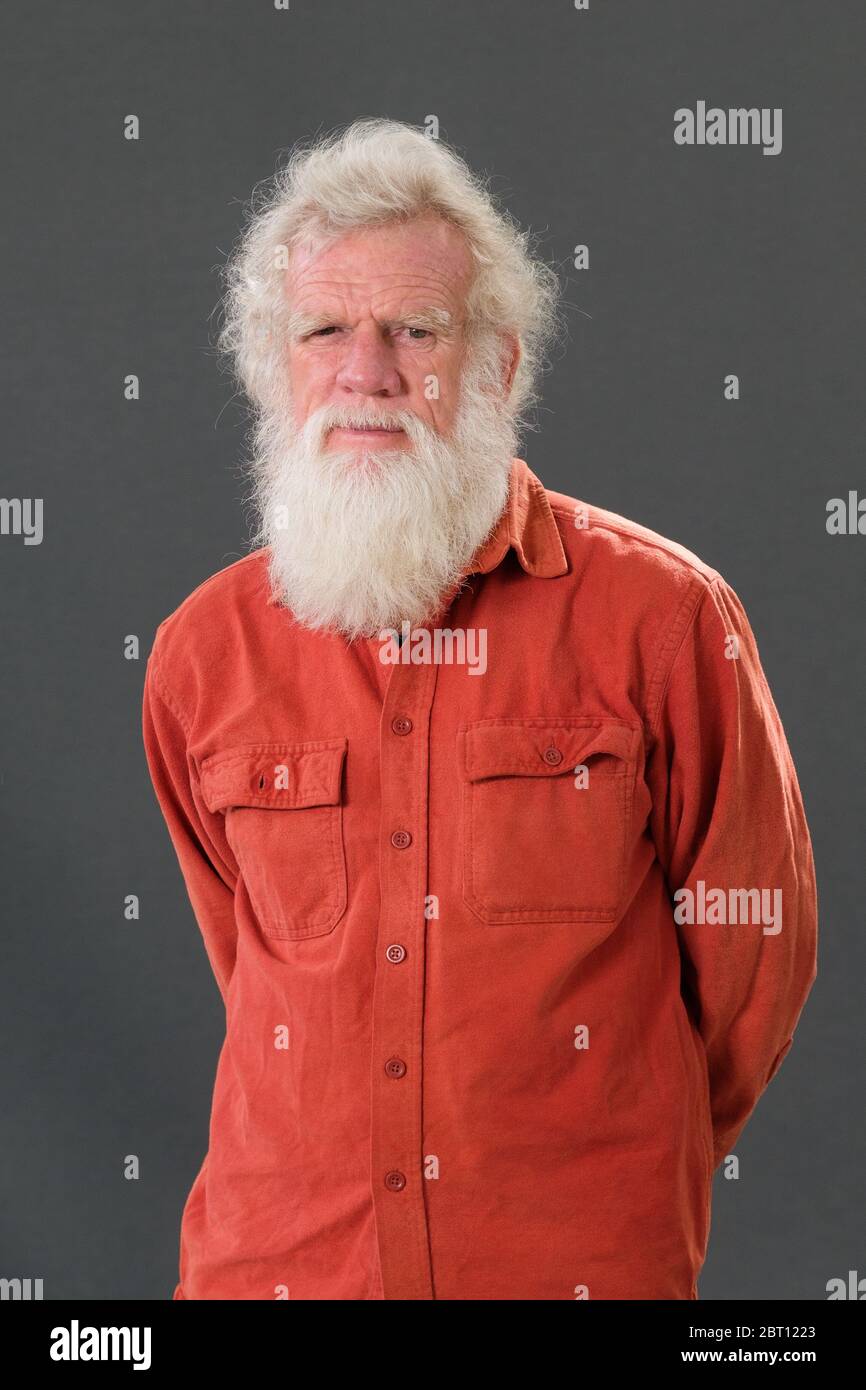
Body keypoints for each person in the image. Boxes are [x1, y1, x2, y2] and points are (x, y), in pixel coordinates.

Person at [142, 117, 817, 1300]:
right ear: (272, 365)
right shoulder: (204, 649)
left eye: (416, 329)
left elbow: (751, 958)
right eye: (324, 331)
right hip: (278, 1271)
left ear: (498, 361)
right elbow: (251, 970)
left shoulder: (663, 619)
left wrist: (611, 1147)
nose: (368, 372)